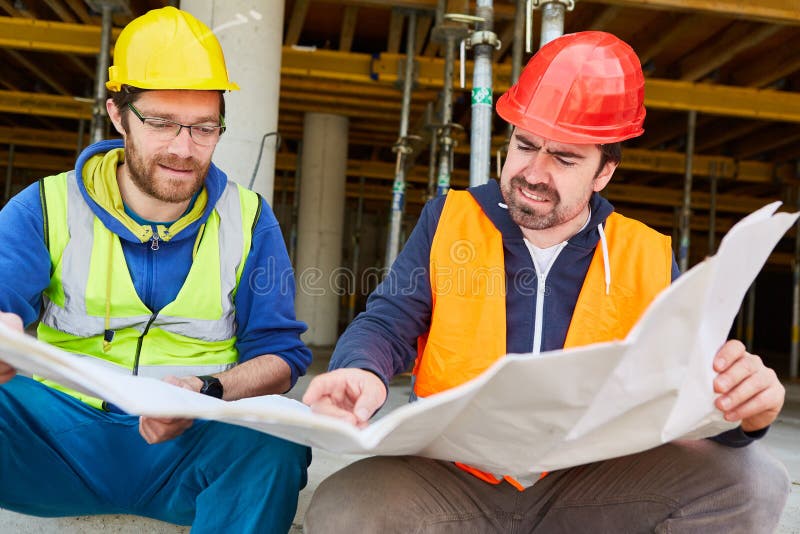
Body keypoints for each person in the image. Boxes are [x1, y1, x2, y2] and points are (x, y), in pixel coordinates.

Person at [303, 31, 790, 532]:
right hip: (453, 477)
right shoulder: (449, 220)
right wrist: (361, 369)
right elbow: (388, 322)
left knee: (752, 483)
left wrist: (745, 414)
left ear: (604, 172)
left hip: (587, 485)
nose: (533, 172)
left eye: (564, 158)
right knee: (346, 507)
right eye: (525, 145)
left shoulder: (643, 253)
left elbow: (693, 393)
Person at [0, 7, 310, 533]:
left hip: (190, 444)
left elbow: (281, 356)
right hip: (58, 437)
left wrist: (209, 391)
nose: (183, 149)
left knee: (277, 442)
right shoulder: (46, 207)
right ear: (118, 115)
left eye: (204, 127)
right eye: (161, 122)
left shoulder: (251, 220)